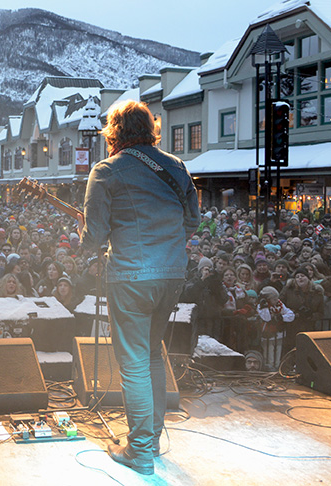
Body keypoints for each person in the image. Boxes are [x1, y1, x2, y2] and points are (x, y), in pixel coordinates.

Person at [78, 100, 199, 475]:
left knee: (133, 362)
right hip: (172, 275)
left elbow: (94, 236)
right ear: (151, 129)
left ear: (114, 133)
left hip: (131, 276)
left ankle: (141, 450)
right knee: (151, 355)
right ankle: (152, 437)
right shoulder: (177, 167)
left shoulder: (107, 170)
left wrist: (88, 239)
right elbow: (192, 221)